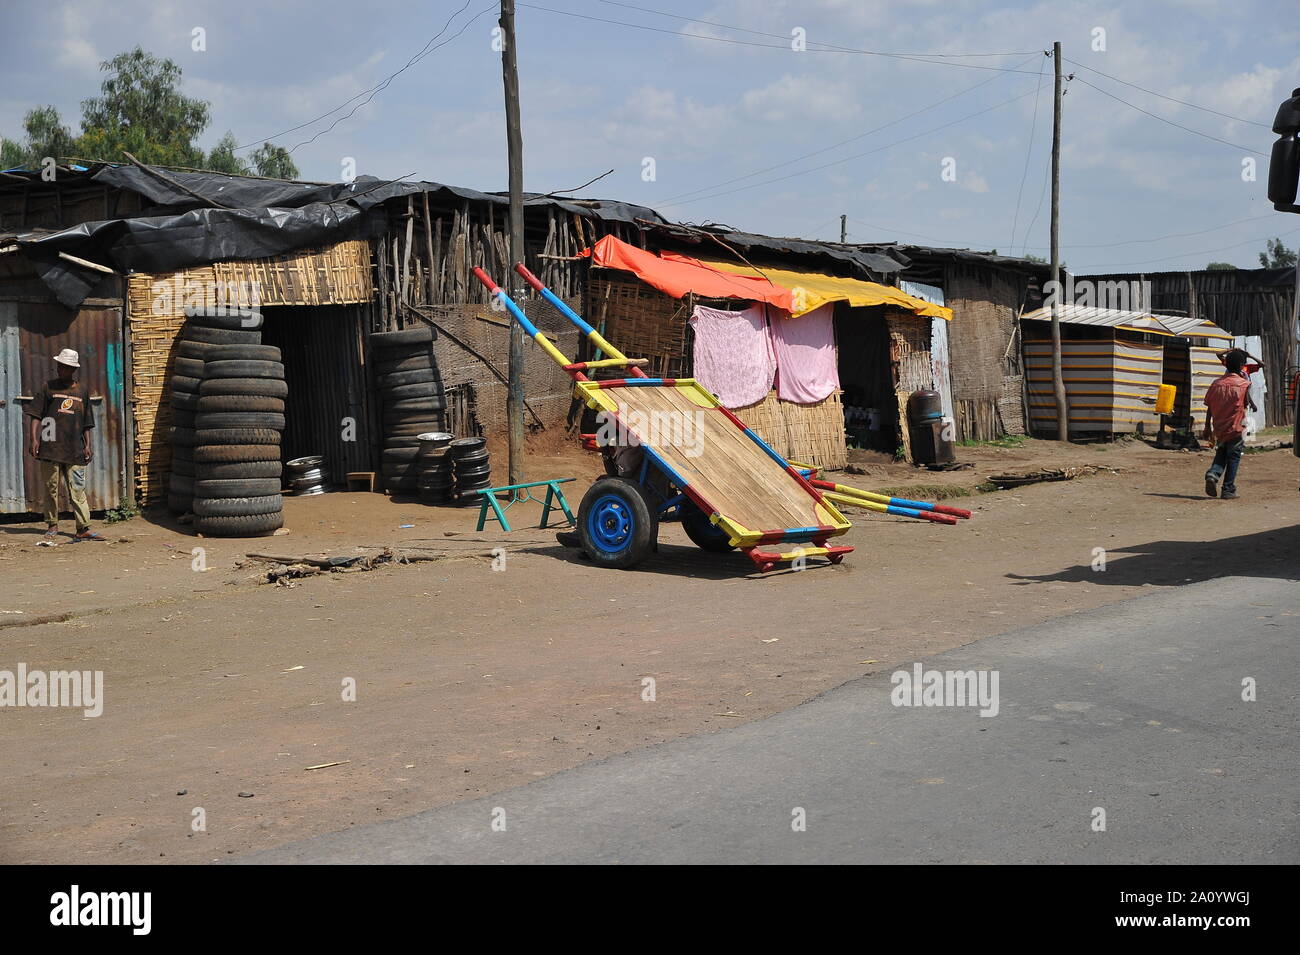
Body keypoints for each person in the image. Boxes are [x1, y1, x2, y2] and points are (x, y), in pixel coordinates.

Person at [24, 348, 104, 541]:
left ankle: (83, 528)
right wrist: (34, 439)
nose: (60, 369)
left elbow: (87, 422)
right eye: (59, 366)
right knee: (50, 489)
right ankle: (52, 525)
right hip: (50, 447)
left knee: (77, 489)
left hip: (75, 449)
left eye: (65, 367)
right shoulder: (48, 388)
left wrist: (88, 445)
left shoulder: (81, 391)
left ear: (73, 369)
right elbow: (35, 415)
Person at [1202, 349, 1252, 500]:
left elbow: (1209, 406)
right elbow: (1246, 404)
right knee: (1233, 457)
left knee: (1222, 452)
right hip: (1236, 427)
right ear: (1241, 366)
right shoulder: (1244, 384)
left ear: (1226, 364)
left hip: (1219, 427)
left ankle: (1213, 474)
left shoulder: (1216, 384)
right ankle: (1228, 489)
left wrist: (1207, 427)